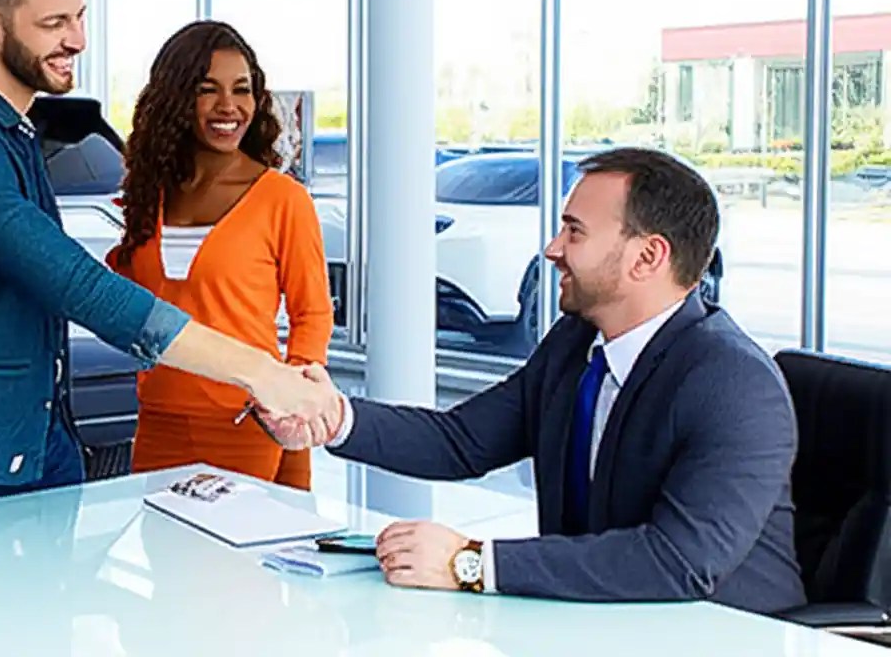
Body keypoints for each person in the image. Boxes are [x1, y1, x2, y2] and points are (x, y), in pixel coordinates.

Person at [0, 0, 333, 517]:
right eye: (54, 23)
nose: (78, 39)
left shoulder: (12, 131)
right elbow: (78, 285)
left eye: (78, 17)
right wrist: (260, 371)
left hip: (34, 444)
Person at [258, 147, 807, 615]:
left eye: (575, 231)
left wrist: (472, 563)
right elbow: (461, 441)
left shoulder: (734, 384)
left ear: (648, 256)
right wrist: (333, 418)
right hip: (594, 622)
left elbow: (678, 561)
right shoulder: (575, 344)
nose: (552, 249)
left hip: (723, 633)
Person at [106, 21, 333, 490]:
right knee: (162, 538)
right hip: (159, 415)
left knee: (241, 538)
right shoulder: (150, 195)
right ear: (175, 99)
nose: (229, 106)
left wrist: (290, 396)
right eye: (207, 90)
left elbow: (312, 313)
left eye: (242, 89)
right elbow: (130, 296)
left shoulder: (282, 199)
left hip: (246, 420)